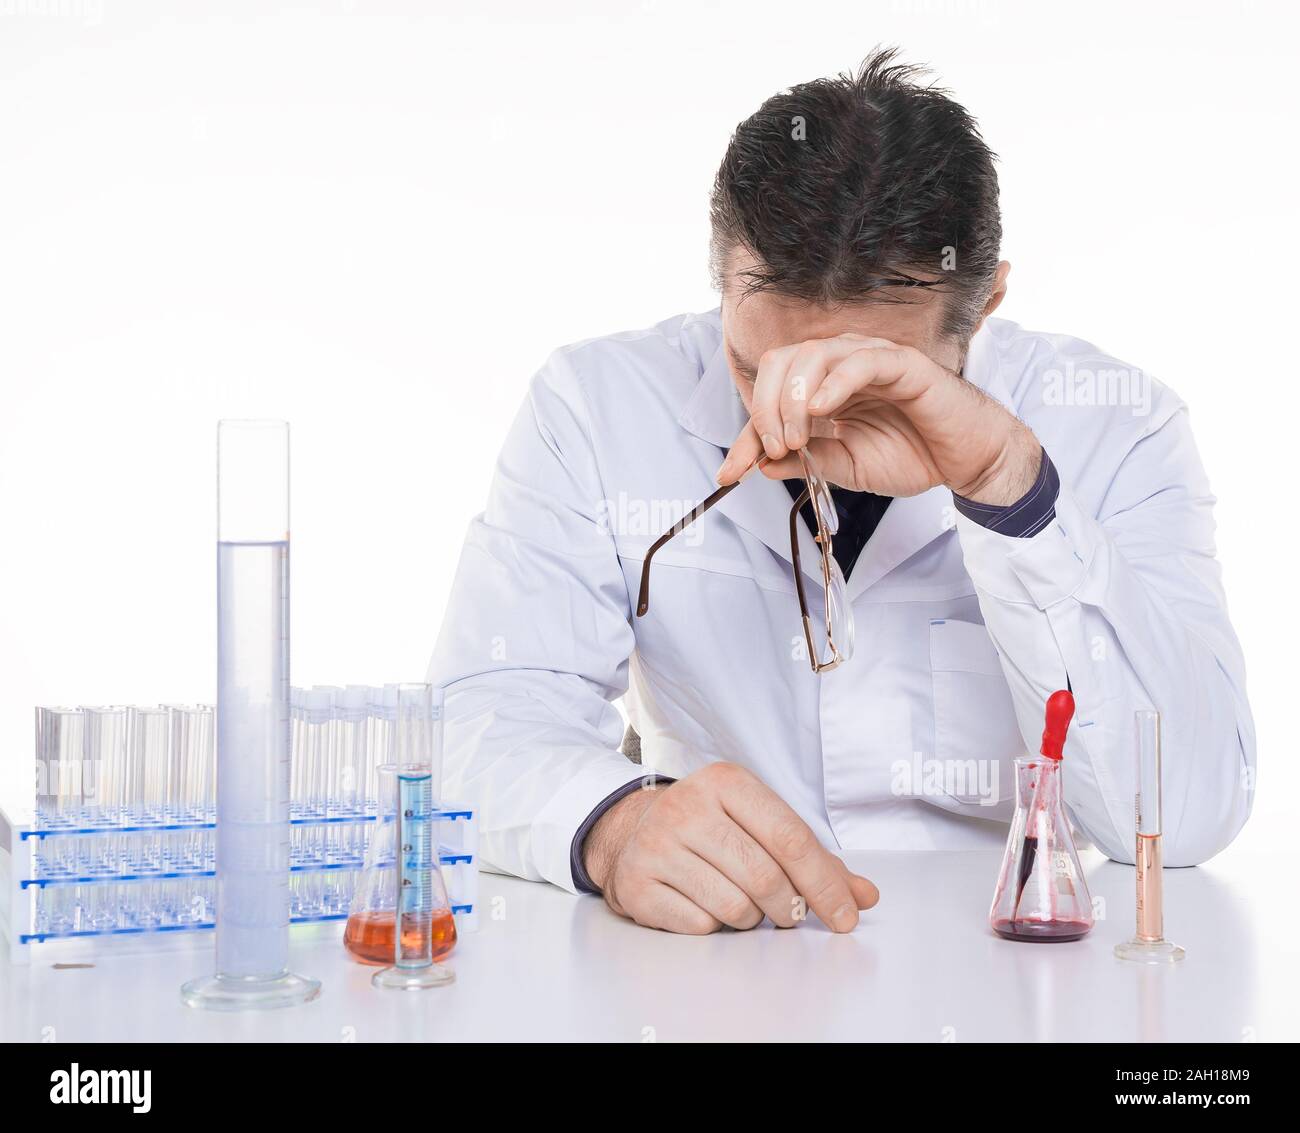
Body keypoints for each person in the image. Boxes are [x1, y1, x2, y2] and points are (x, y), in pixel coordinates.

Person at [428, 49, 1254, 935]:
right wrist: (610, 822)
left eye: (872, 380)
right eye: (756, 368)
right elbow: (479, 721)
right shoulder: (595, 407)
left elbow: (1187, 811)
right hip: (715, 966)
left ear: (984, 306)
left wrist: (1006, 491)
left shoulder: (1119, 426)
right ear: (721, 282)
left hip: (1004, 970)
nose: (803, 413)